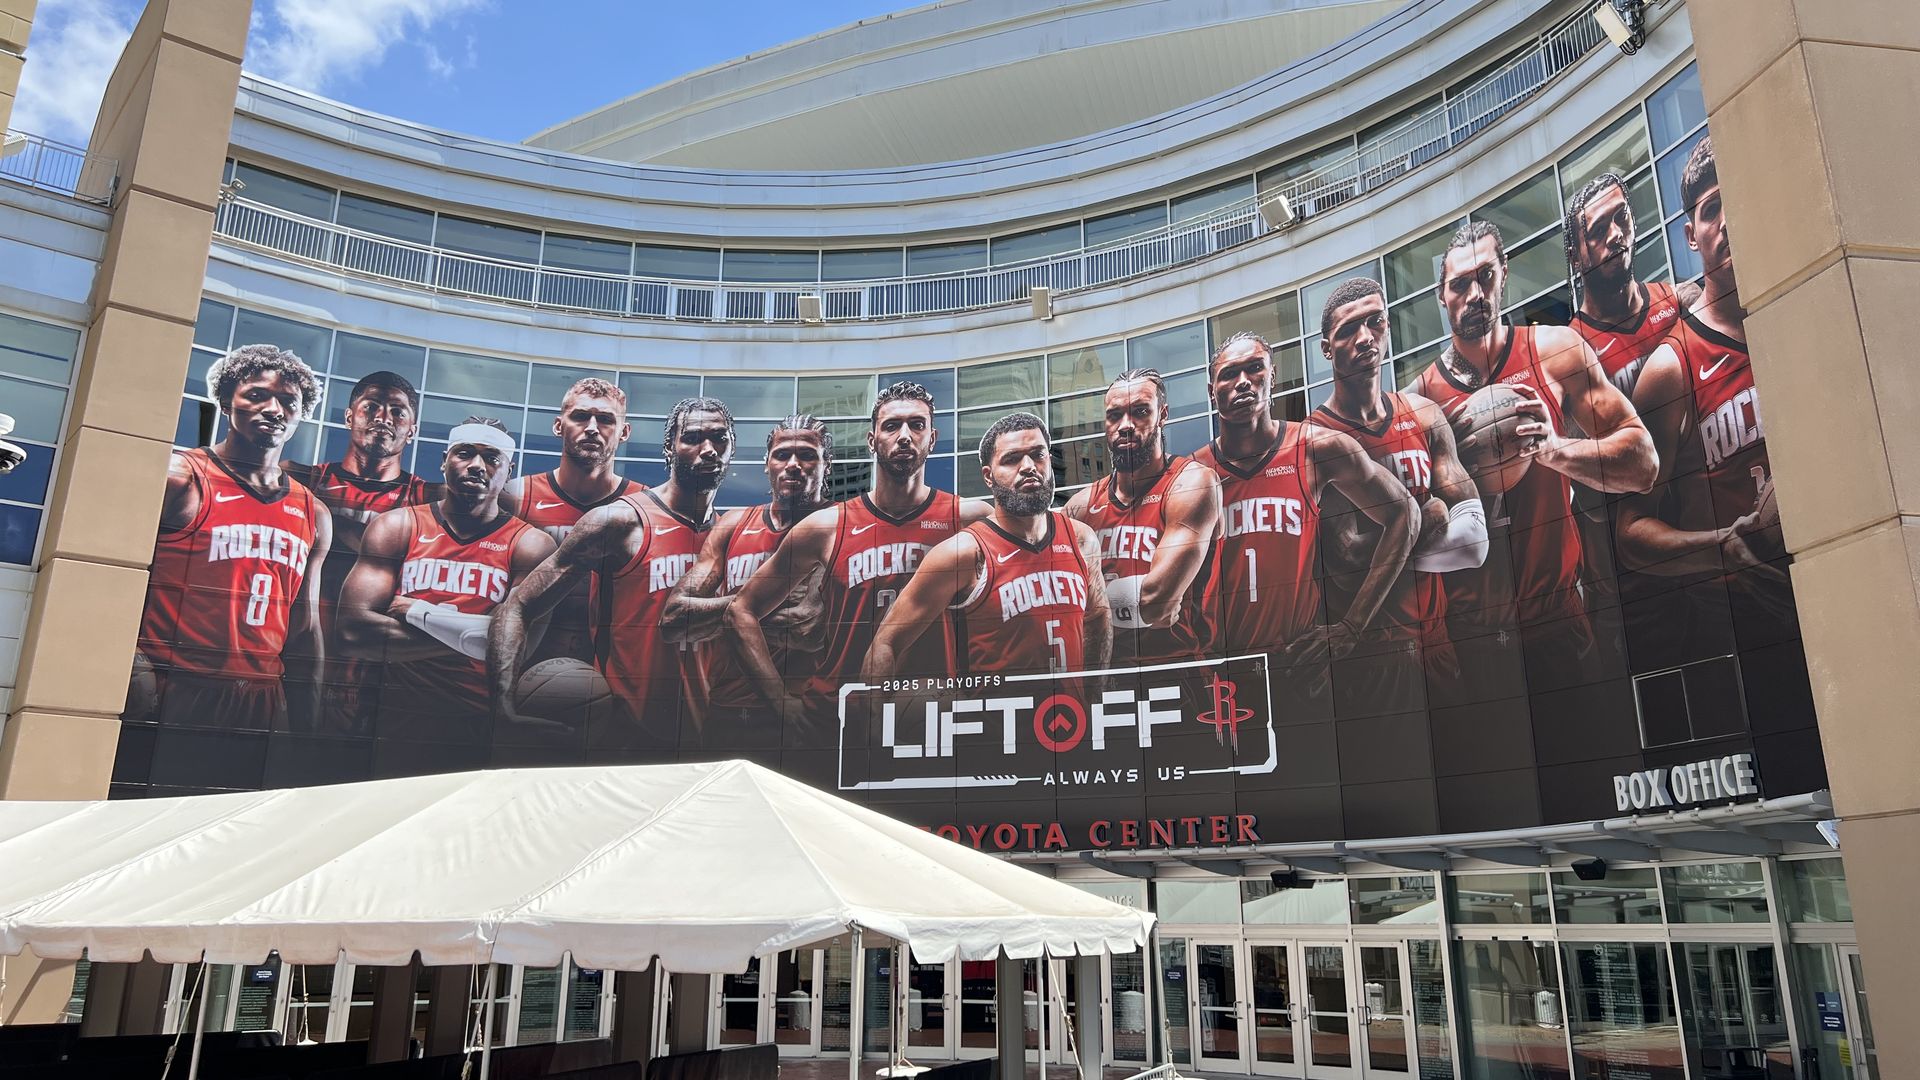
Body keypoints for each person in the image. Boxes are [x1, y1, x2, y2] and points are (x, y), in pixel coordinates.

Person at [1413, 220, 1656, 696]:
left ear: (1504, 274)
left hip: (1559, 625)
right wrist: (1451, 473)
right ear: (1441, 296)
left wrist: (1554, 448)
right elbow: (1406, 534)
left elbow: (1644, 464)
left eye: (1485, 276)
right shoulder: (1419, 403)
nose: (1474, 294)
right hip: (1469, 639)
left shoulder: (1555, 351)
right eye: (1459, 284)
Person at [727, 382, 991, 743]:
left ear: (932, 439)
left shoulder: (969, 518)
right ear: (872, 440)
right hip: (835, 720)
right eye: (891, 426)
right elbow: (741, 611)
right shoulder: (827, 526)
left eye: (916, 425)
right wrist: (781, 702)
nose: (904, 436)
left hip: (931, 720)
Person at [1617, 135, 1796, 653]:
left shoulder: (1802, 312)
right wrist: (1721, 546)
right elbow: (1630, 531)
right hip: (1743, 623)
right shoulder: (1672, 367)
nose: (1726, 220)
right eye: (1711, 209)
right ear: (1690, 235)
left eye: (1734, 199)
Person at [490, 397, 734, 751]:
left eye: (719, 438)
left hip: (705, 739)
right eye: (693, 438)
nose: (708, 449)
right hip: (623, 734)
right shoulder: (620, 521)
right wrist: (501, 704)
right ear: (669, 447)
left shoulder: (729, 535)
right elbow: (519, 607)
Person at [1197, 331, 1420, 707]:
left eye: (1254, 369)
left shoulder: (1317, 448)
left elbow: (1405, 512)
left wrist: (1353, 625)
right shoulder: (1194, 474)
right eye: (1229, 374)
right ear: (1211, 391)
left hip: (1297, 665)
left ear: (1272, 376)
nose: (1243, 382)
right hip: (1222, 671)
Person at [131, 344, 333, 731]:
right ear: (226, 402)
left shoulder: (314, 512)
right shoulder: (181, 478)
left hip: (260, 698)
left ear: (300, 414)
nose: (273, 409)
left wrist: (310, 730)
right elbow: (109, 573)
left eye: (288, 401)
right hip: (175, 686)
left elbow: (306, 629)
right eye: (257, 395)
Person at [1310, 277, 1487, 715]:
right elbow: (1347, 554)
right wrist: (1429, 517)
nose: (1365, 337)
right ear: (1327, 348)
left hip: (1436, 637)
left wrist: (1407, 528)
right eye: (1349, 329)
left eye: (1375, 322)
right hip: (1372, 649)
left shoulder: (1424, 415)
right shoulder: (1315, 438)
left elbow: (1474, 541)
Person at [337, 419, 554, 745]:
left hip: (478, 726)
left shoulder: (531, 545)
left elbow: (519, 648)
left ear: (509, 471)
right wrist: (477, 633)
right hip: (388, 720)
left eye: (491, 458)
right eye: (464, 453)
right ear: (444, 461)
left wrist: (418, 613)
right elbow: (353, 633)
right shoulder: (397, 527)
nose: (476, 465)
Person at [864, 411, 1111, 681]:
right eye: (1012, 459)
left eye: (1038, 454)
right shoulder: (963, 553)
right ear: (988, 476)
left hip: (1070, 709)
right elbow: (886, 643)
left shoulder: (1081, 539)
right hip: (992, 708)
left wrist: (1093, 697)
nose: (1028, 466)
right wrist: (878, 706)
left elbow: (1098, 620)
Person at [662, 414, 833, 749]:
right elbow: (674, 619)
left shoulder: (837, 526)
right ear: (767, 464)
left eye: (807, 455)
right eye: (782, 455)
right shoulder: (734, 524)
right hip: (724, 711)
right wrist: (744, 609)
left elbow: (806, 628)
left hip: (801, 715)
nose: (793, 465)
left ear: (826, 465)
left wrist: (723, 616)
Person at [286, 370, 434, 733]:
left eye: (397, 411)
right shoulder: (300, 480)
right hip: (297, 667)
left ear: (412, 430)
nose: (383, 418)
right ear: (349, 416)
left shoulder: (429, 499)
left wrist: (335, 527)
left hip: (378, 682)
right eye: (372, 407)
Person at [1062, 369, 1221, 668]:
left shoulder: (1191, 483)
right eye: (1115, 415)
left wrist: (1091, 610)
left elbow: (1156, 603)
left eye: (1140, 412)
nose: (1125, 425)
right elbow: (1058, 609)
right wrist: (1127, 602)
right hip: (1103, 675)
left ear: (1162, 415)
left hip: (1175, 671)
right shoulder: (1080, 507)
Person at [501, 377, 640, 666]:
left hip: (612, 673)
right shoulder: (516, 497)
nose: (592, 427)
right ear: (558, 425)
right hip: (524, 665)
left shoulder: (644, 506)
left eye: (605, 419)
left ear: (624, 432)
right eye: (580, 416)